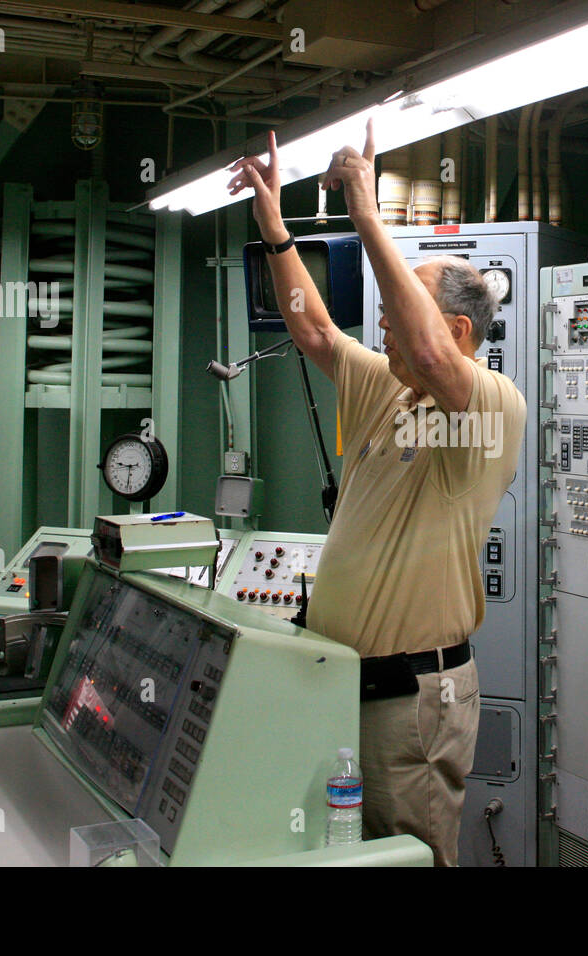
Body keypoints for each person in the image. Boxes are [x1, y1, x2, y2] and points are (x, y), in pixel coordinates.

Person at [227, 121, 524, 866]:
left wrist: (367, 215)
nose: (385, 320)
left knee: (402, 859)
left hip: (412, 705)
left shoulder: (490, 410)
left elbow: (423, 348)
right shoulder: (387, 390)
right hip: (341, 690)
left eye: (404, 307)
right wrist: (275, 231)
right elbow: (315, 334)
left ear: (458, 329)